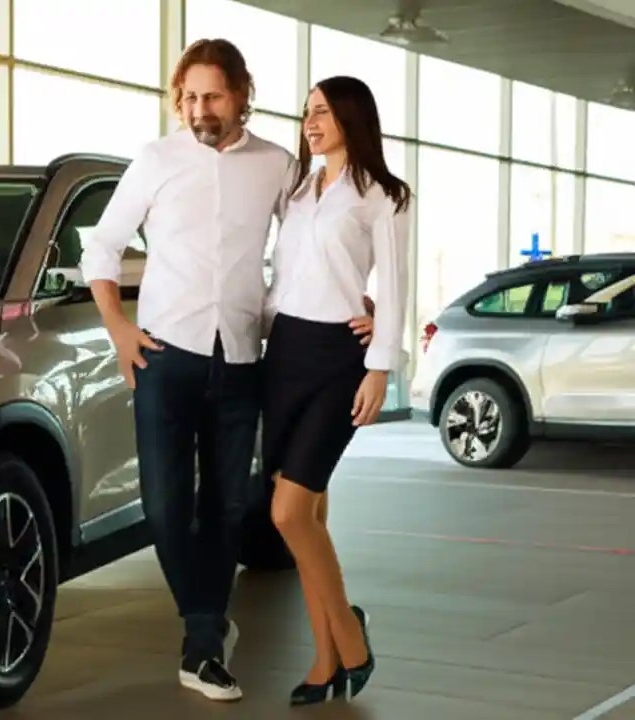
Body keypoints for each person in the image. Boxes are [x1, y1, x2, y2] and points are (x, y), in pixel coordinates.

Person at [79, 40, 373, 702]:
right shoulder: (156, 160)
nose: (198, 109)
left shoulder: (276, 165)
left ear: (242, 94)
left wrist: (366, 305)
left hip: (242, 359)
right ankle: (207, 622)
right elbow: (102, 247)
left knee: (227, 509)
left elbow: (314, 243)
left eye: (211, 96)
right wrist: (119, 330)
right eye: (188, 97)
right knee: (162, 508)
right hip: (162, 356)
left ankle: (203, 646)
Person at [261, 75, 411, 705]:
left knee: (288, 513)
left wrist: (381, 365)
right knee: (310, 515)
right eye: (306, 112)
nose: (310, 121)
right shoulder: (295, 189)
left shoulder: (384, 195)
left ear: (351, 116)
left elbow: (394, 287)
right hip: (283, 352)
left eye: (321, 111)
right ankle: (325, 663)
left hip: (339, 358)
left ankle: (350, 636)